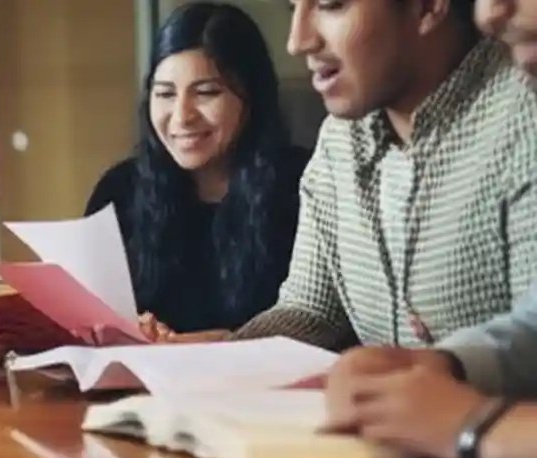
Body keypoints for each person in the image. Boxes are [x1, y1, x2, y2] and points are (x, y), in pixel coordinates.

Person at [215, 0, 537, 350]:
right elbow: (310, 311)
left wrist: (445, 377)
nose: (298, 41)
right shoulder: (340, 139)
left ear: (427, 7)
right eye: (294, 8)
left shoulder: (524, 117)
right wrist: (215, 359)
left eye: (330, 5)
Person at [323, 0, 537, 458]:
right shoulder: (339, 139)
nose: (490, 13)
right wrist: (445, 366)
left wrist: (472, 423)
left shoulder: (520, 113)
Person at [85, 3, 309, 339]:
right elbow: (86, 317)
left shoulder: (305, 186)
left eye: (206, 93)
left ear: (252, 98)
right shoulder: (119, 191)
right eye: (165, 94)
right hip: (139, 388)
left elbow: (319, 326)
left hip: (263, 387)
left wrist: (209, 343)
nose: (181, 117)